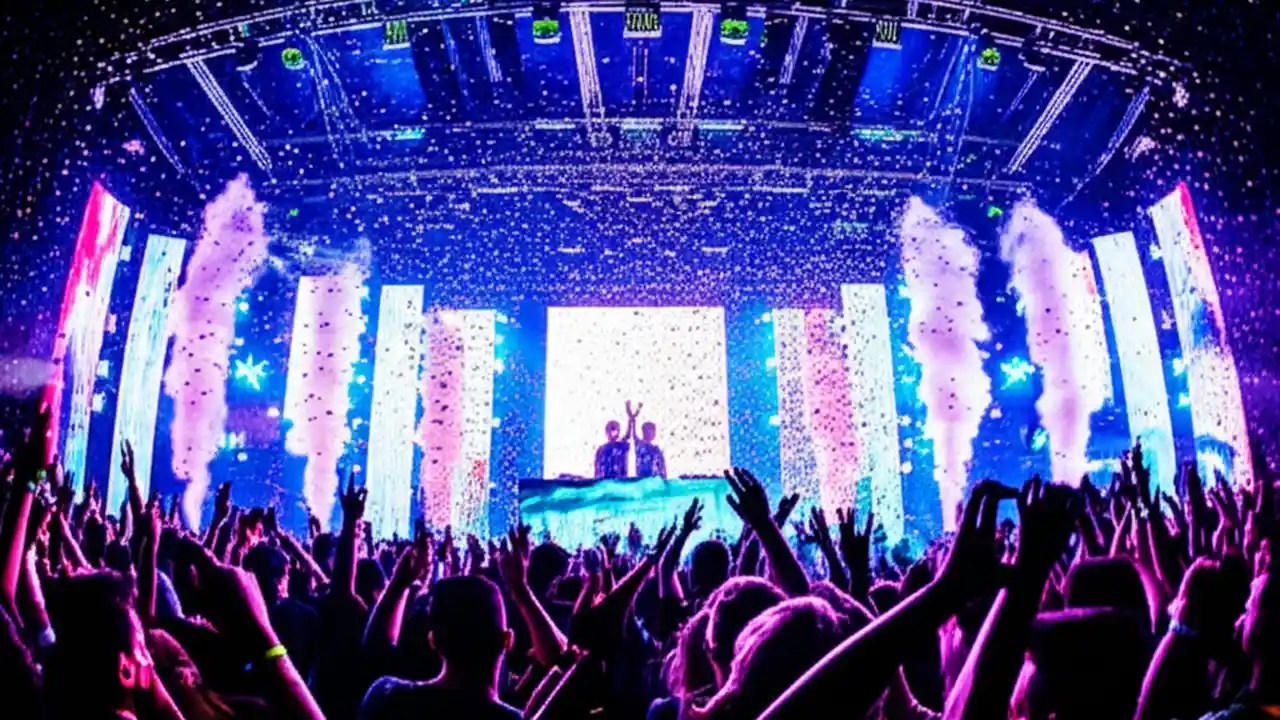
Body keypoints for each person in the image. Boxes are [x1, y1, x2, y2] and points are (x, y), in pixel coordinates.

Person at [357, 575, 521, 720]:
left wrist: (401, 580)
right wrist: (523, 591)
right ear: (507, 641)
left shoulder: (388, 699)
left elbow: (375, 649)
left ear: (433, 640)